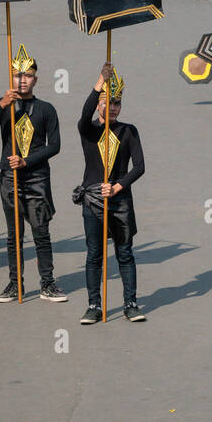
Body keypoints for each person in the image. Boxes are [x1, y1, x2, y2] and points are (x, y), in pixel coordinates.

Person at [0, 44, 64, 302]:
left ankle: (47, 284)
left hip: (36, 178)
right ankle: (15, 284)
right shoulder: (4, 105)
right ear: (11, 77)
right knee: (14, 235)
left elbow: (55, 145)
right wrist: (1, 104)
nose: (22, 80)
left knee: (41, 232)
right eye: (17, 75)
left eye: (27, 75)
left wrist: (27, 161)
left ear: (35, 79)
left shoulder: (47, 109)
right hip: (9, 179)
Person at [73, 64, 146, 325]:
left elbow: (139, 167)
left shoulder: (130, 131)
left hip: (120, 201)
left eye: (117, 102)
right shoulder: (88, 130)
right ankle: (94, 305)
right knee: (95, 254)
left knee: (125, 252)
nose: (113, 107)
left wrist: (118, 186)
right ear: (98, 104)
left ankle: (131, 303)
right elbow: (83, 114)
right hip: (92, 200)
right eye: (107, 101)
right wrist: (100, 81)